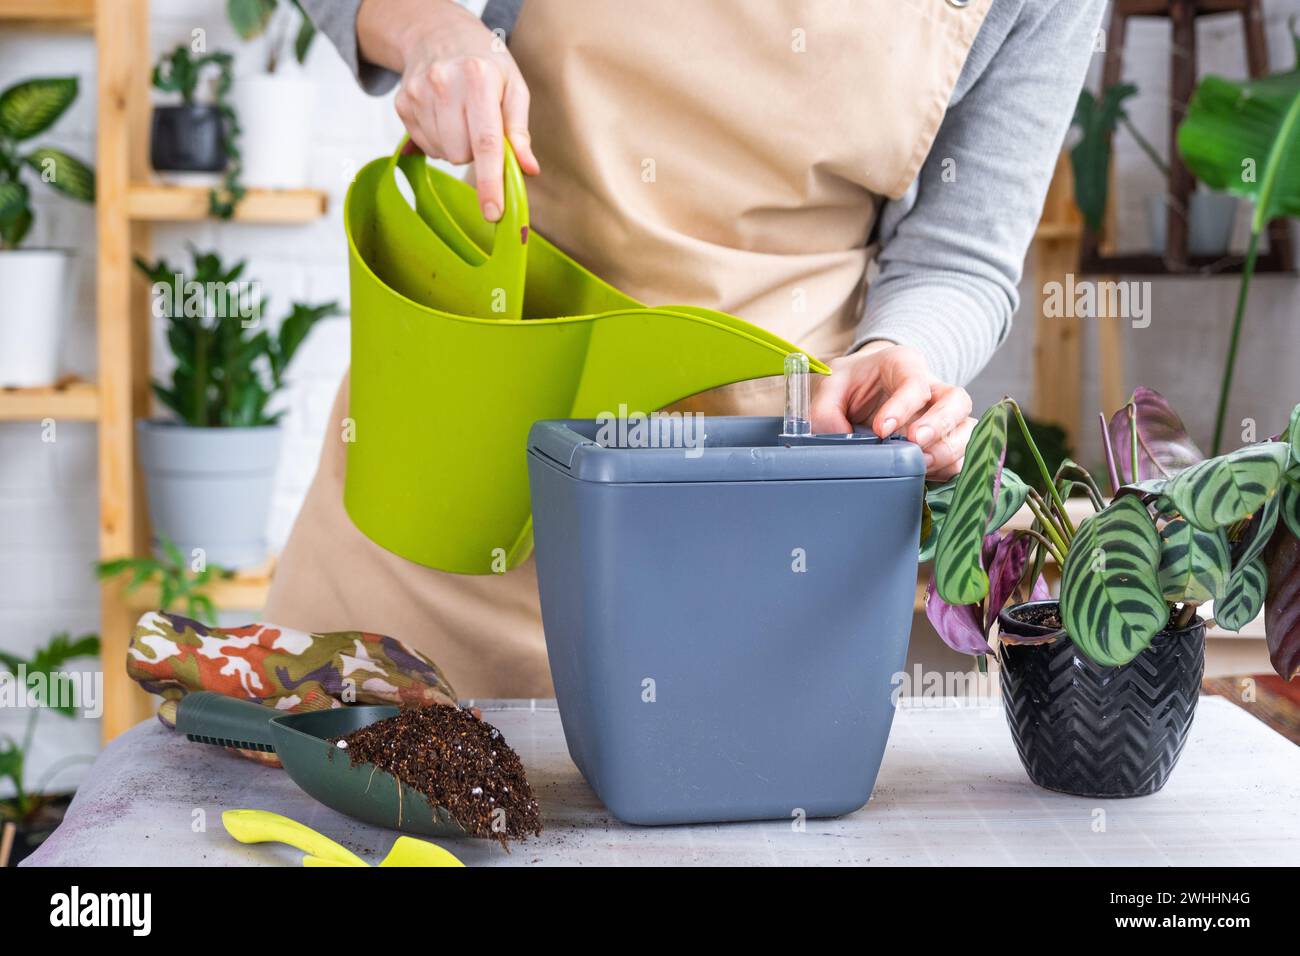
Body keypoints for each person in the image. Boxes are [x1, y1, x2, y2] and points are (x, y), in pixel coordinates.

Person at [267, 0, 1106, 697]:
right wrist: (432, 33)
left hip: (743, 513)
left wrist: (904, 350)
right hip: (452, 497)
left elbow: (961, 252)